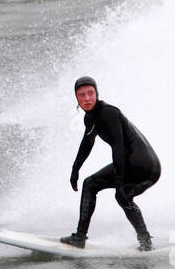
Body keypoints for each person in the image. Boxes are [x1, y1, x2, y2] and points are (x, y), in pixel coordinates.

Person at [62, 76, 160, 251]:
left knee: (92, 185)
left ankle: (80, 237)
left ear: (97, 94)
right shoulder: (90, 119)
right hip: (142, 165)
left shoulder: (109, 113)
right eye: (81, 95)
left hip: (142, 164)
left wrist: (120, 181)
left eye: (90, 94)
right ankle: (145, 242)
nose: (86, 99)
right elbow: (87, 143)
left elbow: (119, 148)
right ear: (76, 98)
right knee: (122, 196)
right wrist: (75, 169)